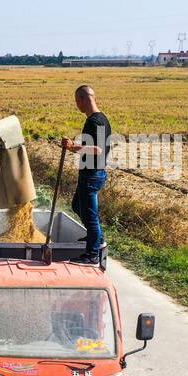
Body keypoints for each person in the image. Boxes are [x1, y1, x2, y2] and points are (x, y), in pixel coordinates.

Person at [61, 84, 111, 265]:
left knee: (90, 217)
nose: (77, 105)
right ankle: (95, 238)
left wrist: (72, 147)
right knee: (77, 206)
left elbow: (97, 149)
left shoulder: (93, 121)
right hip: (95, 173)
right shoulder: (102, 118)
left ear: (83, 99)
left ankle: (91, 255)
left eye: (77, 101)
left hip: (91, 175)